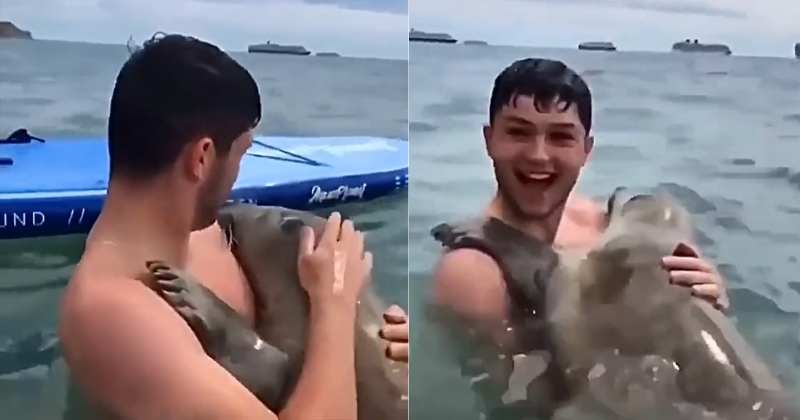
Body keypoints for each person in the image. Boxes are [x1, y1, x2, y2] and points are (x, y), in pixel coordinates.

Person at [58, 33, 406, 420]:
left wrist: (382, 348)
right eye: (242, 153)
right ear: (202, 157)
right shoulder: (111, 312)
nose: (238, 175)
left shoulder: (210, 242)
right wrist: (335, 305)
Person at [428, 58, 726, 416]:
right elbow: (518, 403)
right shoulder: (473, 271)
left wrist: (713, 297)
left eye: (560, 137)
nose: (538, 155)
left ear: (587, 149)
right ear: (489, 140)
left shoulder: (620, 221)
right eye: (519, 132)